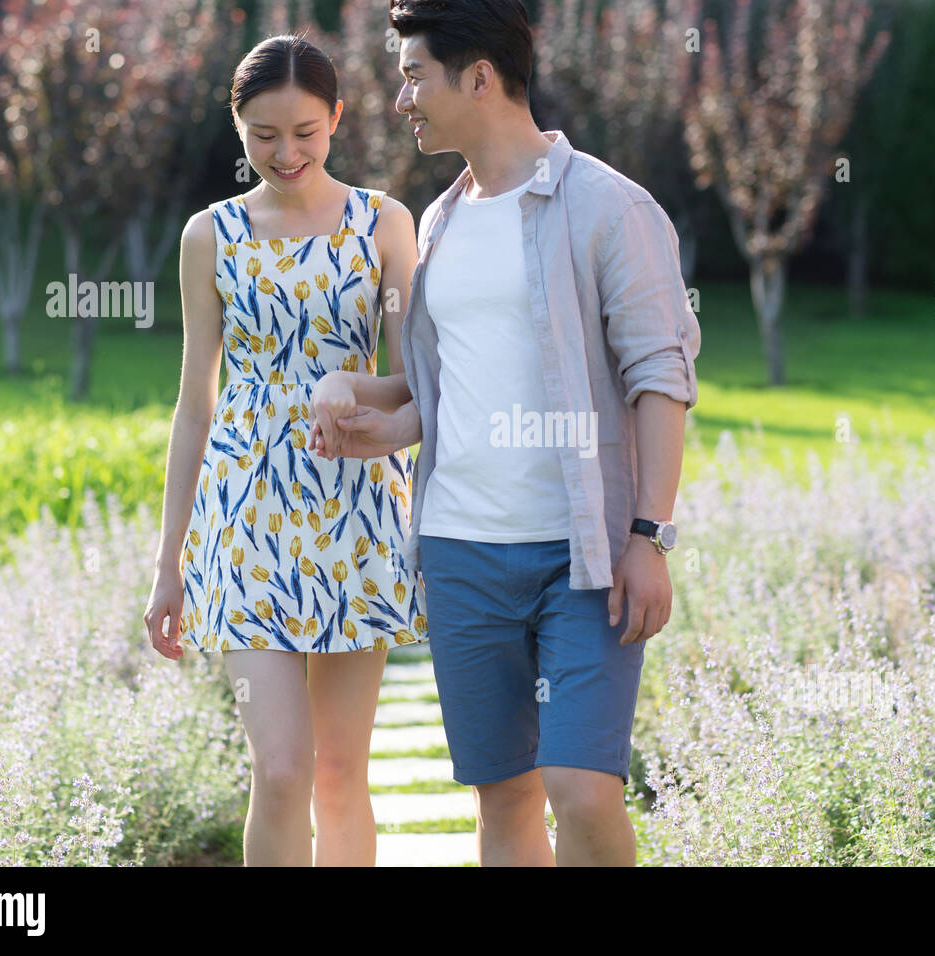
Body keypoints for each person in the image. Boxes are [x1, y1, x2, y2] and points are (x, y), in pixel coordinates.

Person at [309, 0, 701, 867]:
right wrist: (383, 426)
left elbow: (660, 379)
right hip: (461, 549)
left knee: (582, 788)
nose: (402, 98)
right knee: (505, 794)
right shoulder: (440, 223)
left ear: (477, 78)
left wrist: (649, 534)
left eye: (415, 76)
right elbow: (452, 388)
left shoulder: (608, 207)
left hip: (582, 554)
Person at [141, 33, 426, 867]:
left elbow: (414, 380)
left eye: (304, 130)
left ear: (336, 117)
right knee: (281, 767)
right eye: (264, 135)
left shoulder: (385, 223)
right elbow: (195, 406)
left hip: (356, 511)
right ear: (237, 128)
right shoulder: (211, 234)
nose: (286, 152)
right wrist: (171, 565)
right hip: (244, 521)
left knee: (340, 772)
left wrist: (349, 395)